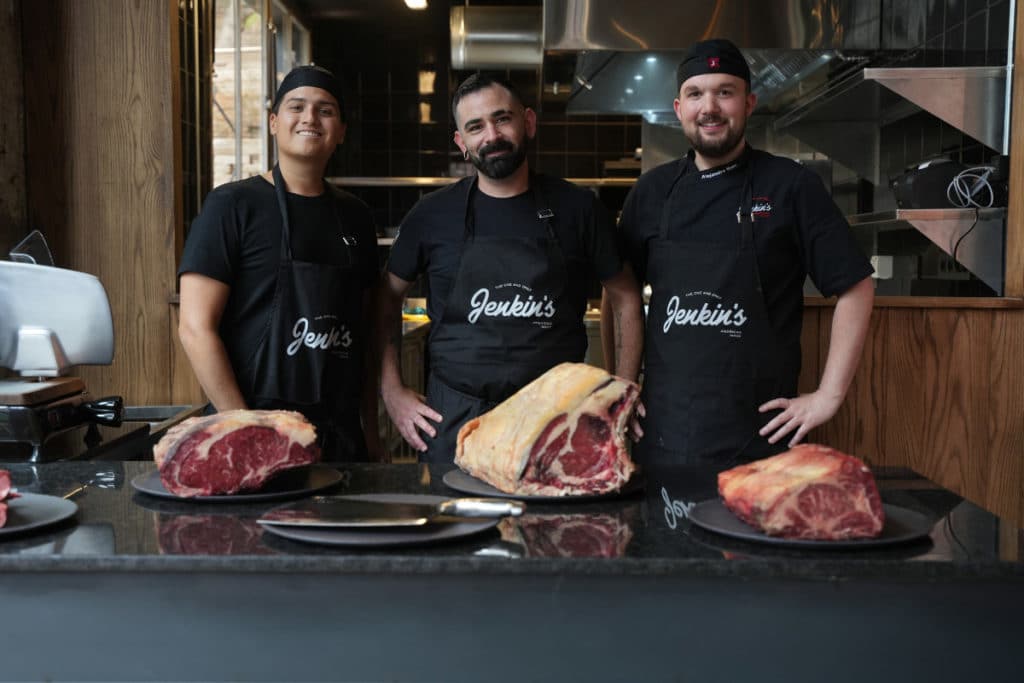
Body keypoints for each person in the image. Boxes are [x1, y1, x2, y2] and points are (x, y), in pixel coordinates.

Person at [602, 39, 874, 466]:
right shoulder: (651, 192)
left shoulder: (791, 186)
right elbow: (621, 293)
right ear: (678, 109)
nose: (709, 107)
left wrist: (828, 396)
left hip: (761, 430)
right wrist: (621, 383)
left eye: (724, 92)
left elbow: (856, 286)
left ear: (749, 103)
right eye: (696, 94)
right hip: (665, 427)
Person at [378, 73, 644, 463]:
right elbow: (385, 300)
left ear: (529, 123)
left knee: (552, 525)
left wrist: (623, 388)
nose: (492, 135)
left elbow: (625, 297)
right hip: (454, 419)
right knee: (455, 524)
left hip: (555, 421)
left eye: (502, 119)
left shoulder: (578, 209)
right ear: (462, 143)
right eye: (475, 126)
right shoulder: (431, 215)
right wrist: (392, 391)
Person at [178, 65, 382, 461]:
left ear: (340, 131)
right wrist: (248, 431)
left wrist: (370, 430)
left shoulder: (356, 216)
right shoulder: (232, 205)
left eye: (325, 110)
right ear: (274, 122)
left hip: (338, 438)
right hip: (252, 430)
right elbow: (194, 328)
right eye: (296, 106)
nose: (310, 118)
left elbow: (365, 337)